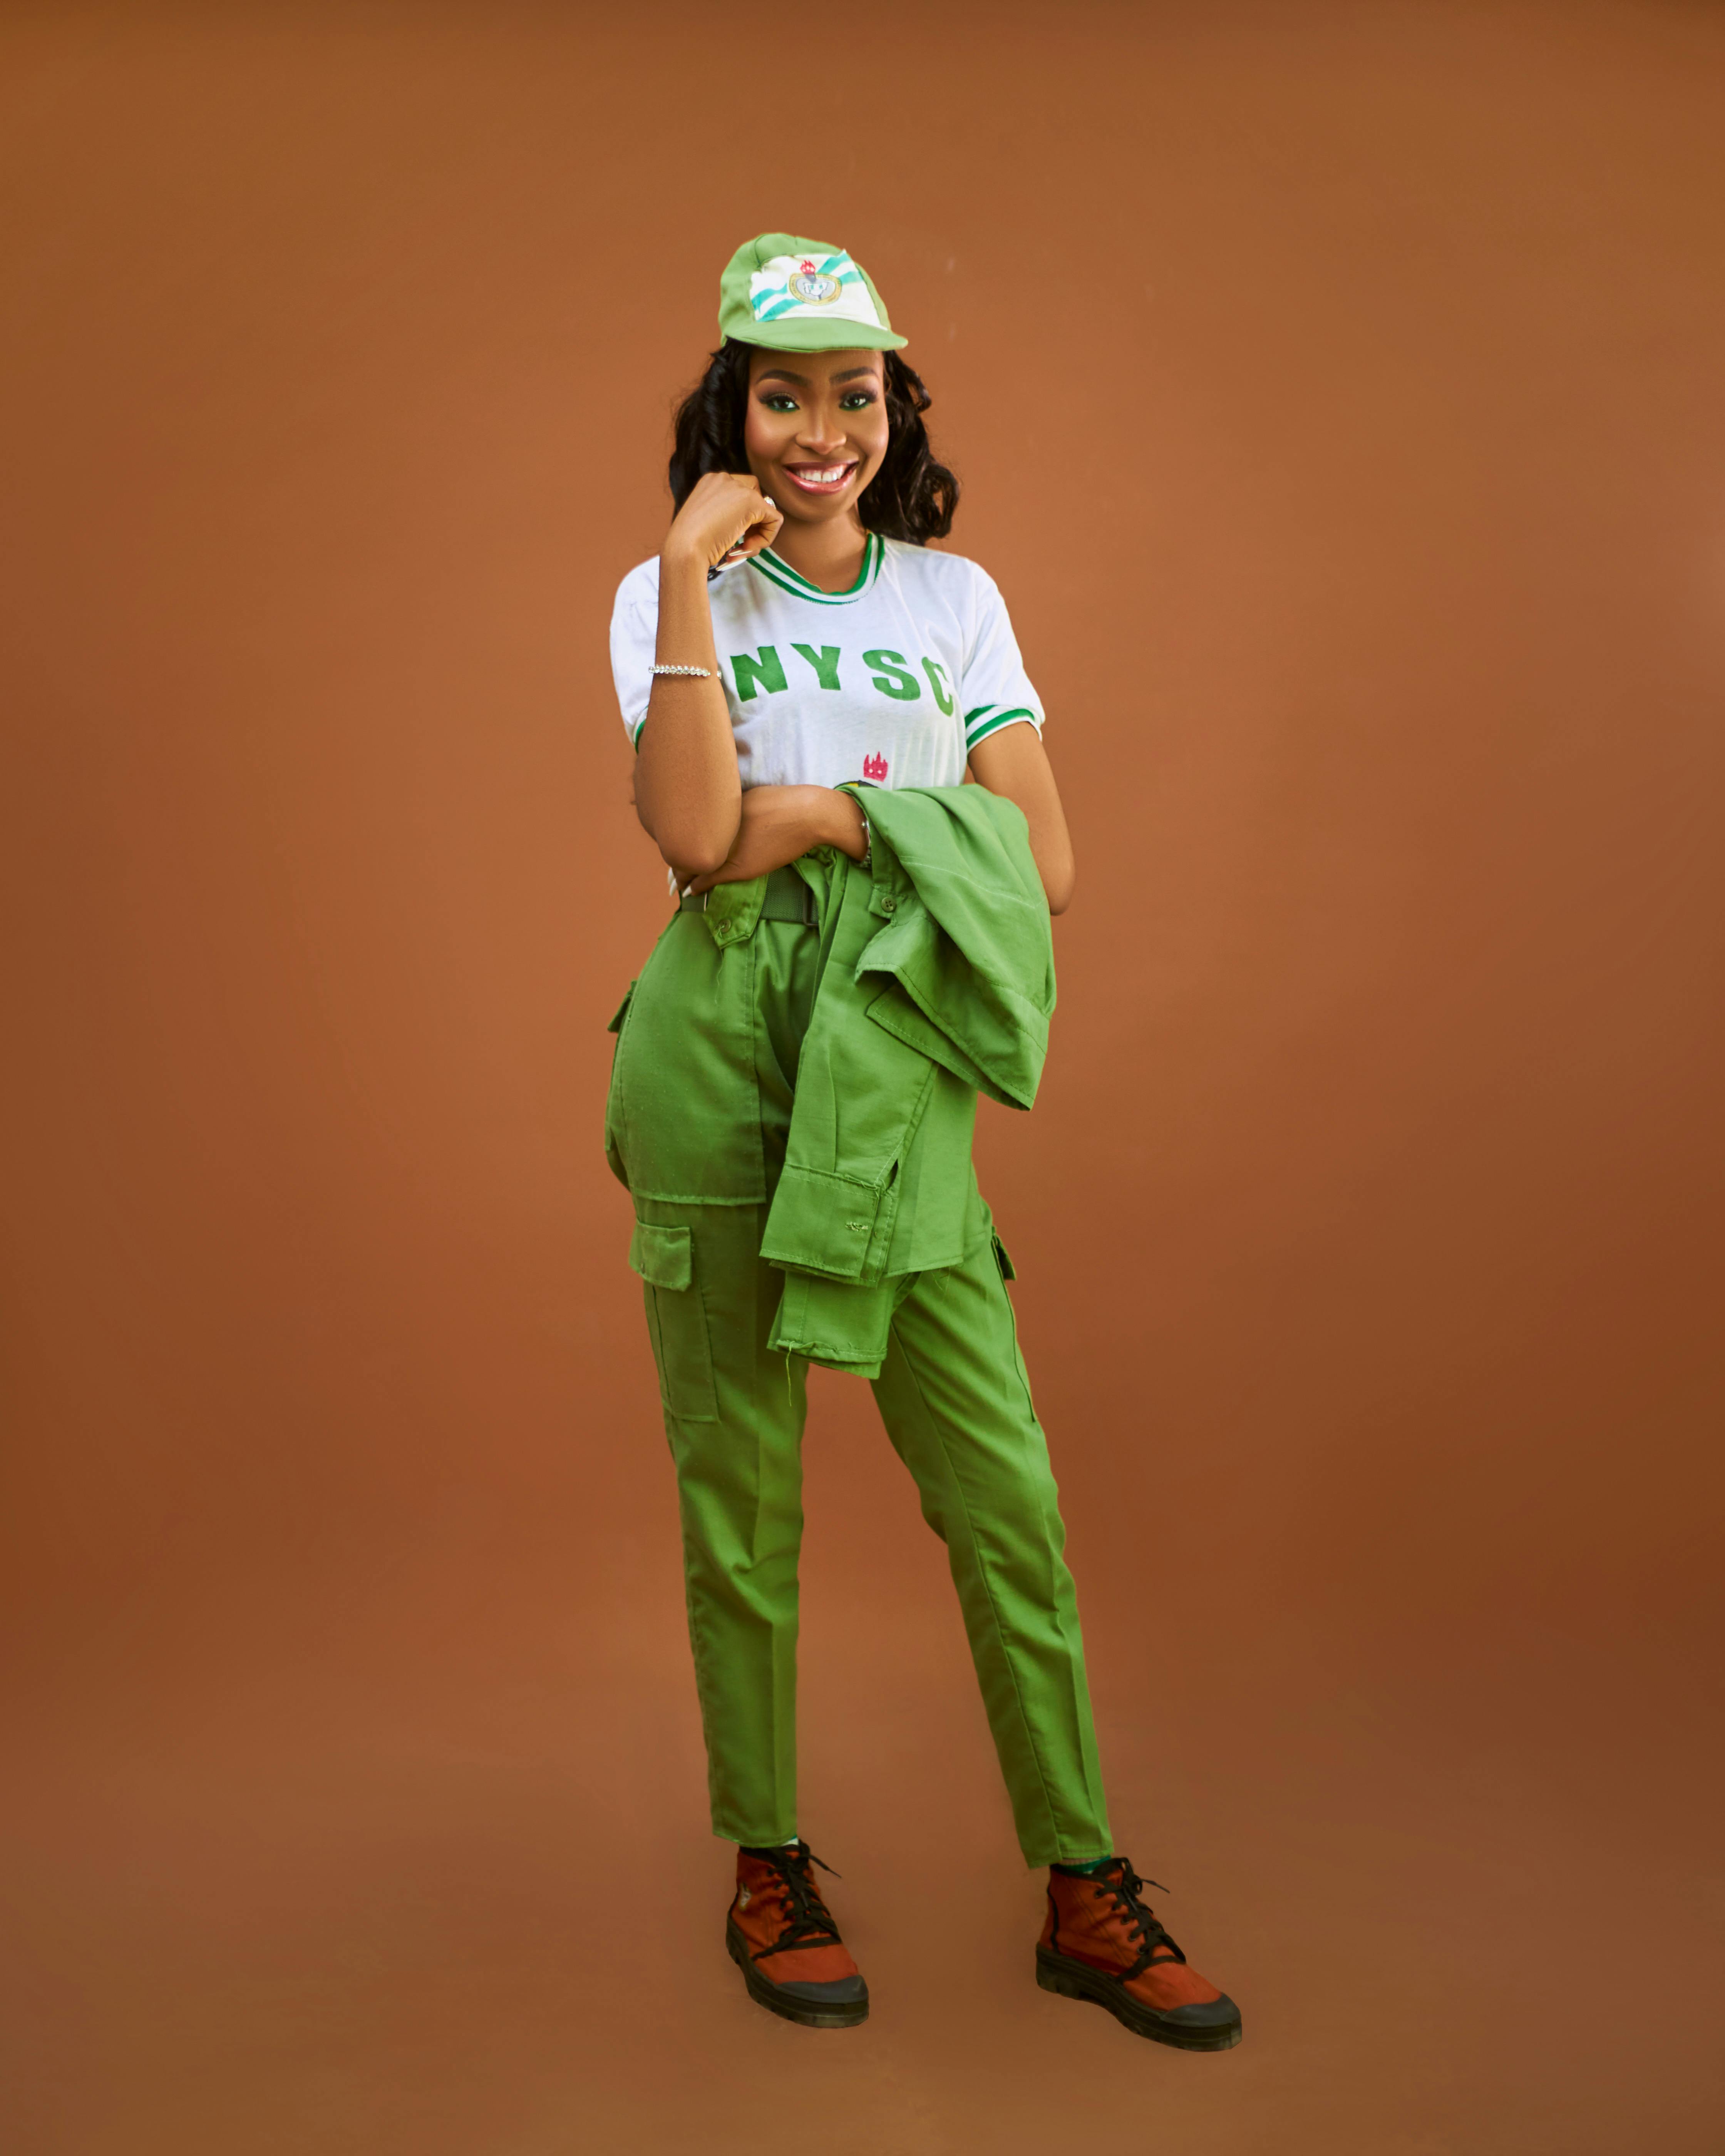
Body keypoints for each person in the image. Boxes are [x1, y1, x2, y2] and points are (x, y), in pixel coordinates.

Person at [604, 232, 1241, 2051]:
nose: (818, 428)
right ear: (728, 407)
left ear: (894, 407)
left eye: (852, 391)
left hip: (895, 1056)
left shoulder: (955, 600)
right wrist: (675, 578)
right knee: (741, 1502)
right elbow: (695, 840)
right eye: (780, 392)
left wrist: (813, 806)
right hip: (715, 1052)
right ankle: (766, 1854)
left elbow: (1036, 864)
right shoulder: (665, 602)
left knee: (1003, 1499)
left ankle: (1082, 1877)